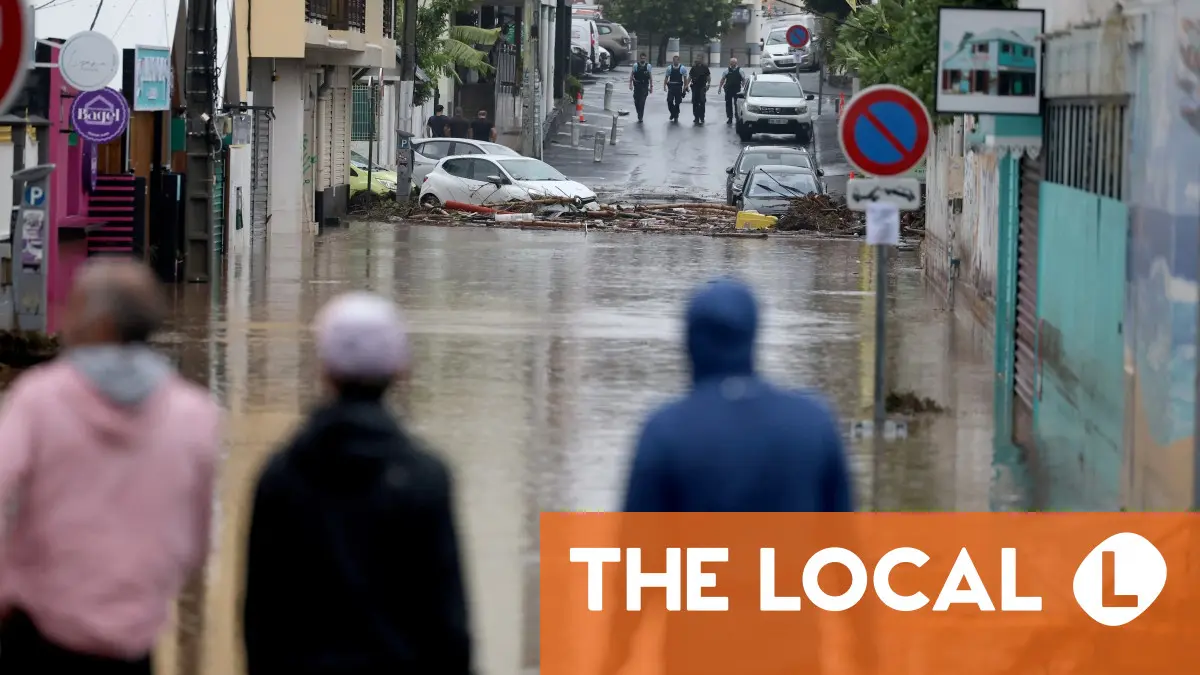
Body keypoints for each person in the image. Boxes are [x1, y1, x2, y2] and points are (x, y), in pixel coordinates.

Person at [601, 278, 858, 675]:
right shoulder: (812, 422)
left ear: (688, 340)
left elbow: (638, 568)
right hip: (793, 651)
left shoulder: (666, 431)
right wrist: (870, 654)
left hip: (698, 654)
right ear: (754, 335)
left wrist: (613, 658)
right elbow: (846, 557)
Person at [0, 257, 221, 675]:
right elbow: (195, 544)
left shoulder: (37, 401)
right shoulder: (195, 415)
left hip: (37, 632)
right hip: (132, 642)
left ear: (100, 325)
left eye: (75, 307)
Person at [243, 291, 471, 675]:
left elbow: (260, 615)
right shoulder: (426, 478)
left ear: (324, 369)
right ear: (401, 370)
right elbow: (447, 619)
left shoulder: (280, 476)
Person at [718, 57, 746, 125]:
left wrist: (743, 85)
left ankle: (737, 117)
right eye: (731, 62)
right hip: (728, 89)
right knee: (728, 104)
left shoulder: (740, 70)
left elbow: (743, 79)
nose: (732, 64)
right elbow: (722, 79)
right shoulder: (726, 70)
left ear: (736, 63)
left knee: (737, 104)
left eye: (733, 62)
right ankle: (729, 118)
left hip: (737, 90)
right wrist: (719, 88)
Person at [628, 53, 653, 123]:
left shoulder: (648, 66)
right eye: (641, 58)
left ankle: (640, 116)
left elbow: (650, 77)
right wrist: (630, 85)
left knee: (642, 102)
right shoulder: (636, 66)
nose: (643, 59)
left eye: (644, 58)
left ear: (645, 58)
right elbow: (632, 75)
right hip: (637, 86)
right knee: (636, 102)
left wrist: (651, 87)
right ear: (640, 58)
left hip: (644, 86)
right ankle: (639, 112)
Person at [686, 56, 711, 125]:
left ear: (701, 60)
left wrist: (708, 84)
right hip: (695, 87)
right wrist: (686, 85)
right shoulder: (693, 68)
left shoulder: (705, 68)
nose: (697, 60)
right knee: (695, 102)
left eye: (698, 59)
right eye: (696, 59)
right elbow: (690, 77)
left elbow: (708, 77)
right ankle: (696, 117)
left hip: (702, 87)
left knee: (702, 102)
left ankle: (702, 117)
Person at [663, 55, 688, 123]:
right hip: (671, 87)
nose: (675, 61)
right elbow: (666, 77)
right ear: (673, 60)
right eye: (674, 60)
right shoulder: (669, 68)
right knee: (669, 101)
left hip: (678, 87)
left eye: (676, 60)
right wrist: (664, 86)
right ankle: (673, 113)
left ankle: (675, 115)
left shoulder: (682, 68)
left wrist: (685, 88)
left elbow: (685, 79)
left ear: (679, 60)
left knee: (677, 102)